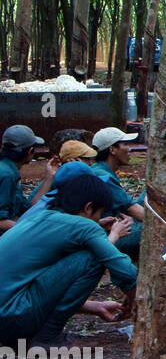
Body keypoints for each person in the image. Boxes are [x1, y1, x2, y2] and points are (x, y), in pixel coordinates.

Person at [0, 174, 135, 346]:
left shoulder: (36, 218)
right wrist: (136, 300)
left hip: (7, 316)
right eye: (99, 213)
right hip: (13, 319)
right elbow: (123, 268)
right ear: (88, 207)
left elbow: (48, 288)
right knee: (93, 258)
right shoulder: (85, 227)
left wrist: (94, 307)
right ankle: (48, 338)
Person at [90, 127, 146, 259]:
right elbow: (134, 211)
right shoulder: (103, 177)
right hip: (109, 236)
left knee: (149, 191)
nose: (129, 149)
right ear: (112, 150)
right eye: (125, 144)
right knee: (159, 230)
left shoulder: (101, 170)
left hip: (116, 222)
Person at [0, 126, 56, 235]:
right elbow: (1, 221)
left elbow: (28, 209)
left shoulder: (8, 170)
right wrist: (32, 229)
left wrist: (50, 177)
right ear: (30, 151)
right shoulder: (7, 175)